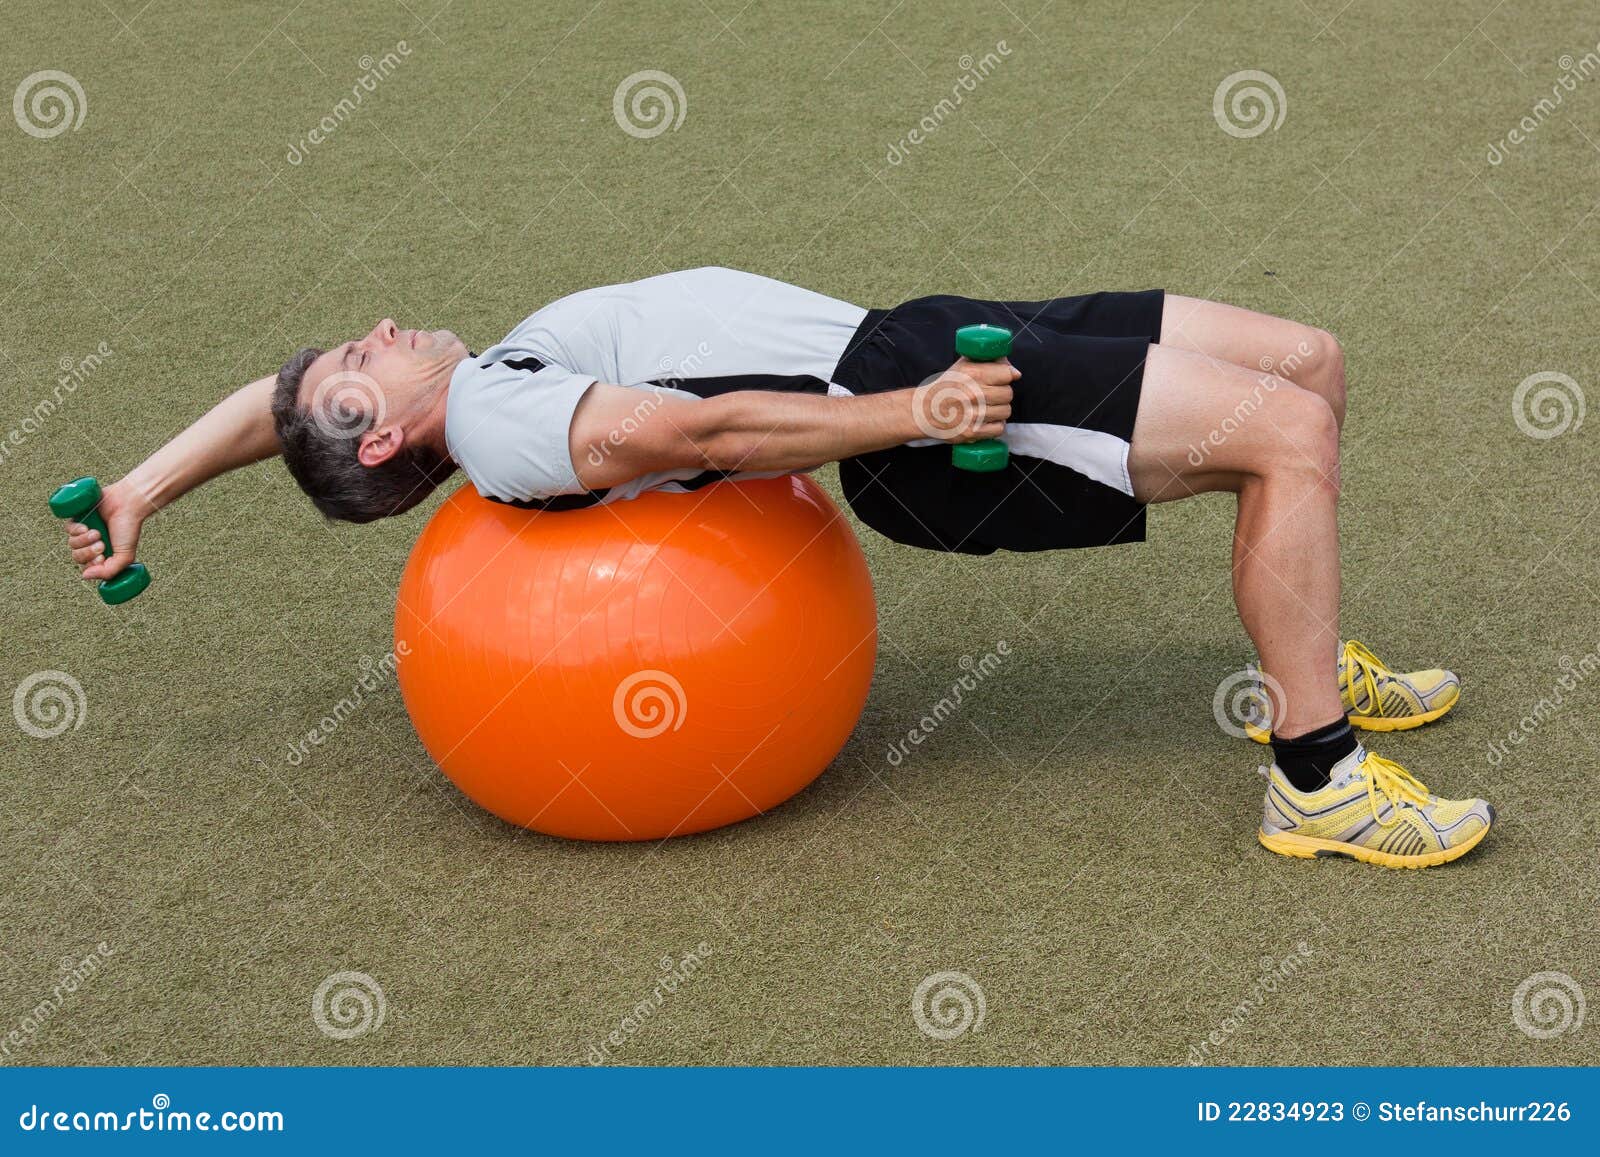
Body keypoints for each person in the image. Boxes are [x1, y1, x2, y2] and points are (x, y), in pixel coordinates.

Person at [62, 267, 1492, 868]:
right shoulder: (501, 418)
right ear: (380, 438)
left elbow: (282, 404)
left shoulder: (475, 379)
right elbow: (696, 429)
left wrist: (142, 486)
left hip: (908, 325)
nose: (374, 327)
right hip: (904, 397)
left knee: (1307, 360)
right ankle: (1317, 776)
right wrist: (908, 412)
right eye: (359, 362)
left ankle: (1308, 655)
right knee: (1285, 431)